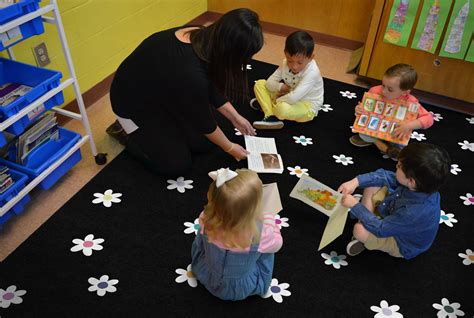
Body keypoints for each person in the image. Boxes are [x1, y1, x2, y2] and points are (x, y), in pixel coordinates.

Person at [107, 9, 263, 176]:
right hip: (132, 105)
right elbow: (204, 121)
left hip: (164, 91)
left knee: (205, 143)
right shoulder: (189, 73)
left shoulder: (202, 35)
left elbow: (209, 84)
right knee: (176, 165)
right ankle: (123, 131)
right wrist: (230, 148)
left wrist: (235, 117)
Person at [337, 143, 450, 260]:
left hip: (401, 241)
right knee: (373, 184)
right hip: (394, 214)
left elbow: (381, 229)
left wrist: (356, 206)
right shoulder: (422, 185)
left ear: (411, 182)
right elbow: (384, 176)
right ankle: (365, 216)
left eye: (399, 166)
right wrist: (355, 182)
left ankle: (363, 228)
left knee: (359, 230)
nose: (396, 166)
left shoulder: (413, 213)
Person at [191, 168, 283, 301]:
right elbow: (277, 245)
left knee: (201, 236)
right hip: (239, 288)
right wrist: (270, 221)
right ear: (253, 209)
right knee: (267, 251)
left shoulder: (206, 218)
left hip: (207, 275)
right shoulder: (262, 232)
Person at [349, 63, 434, 160]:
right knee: (362, 133)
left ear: (405, 92)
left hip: (395, 133)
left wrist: (408, 126)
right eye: (383, 85)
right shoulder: (375, 91)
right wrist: (359, 109)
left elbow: (429, 118)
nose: (383, 91)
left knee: (401, 147)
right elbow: (365, 108)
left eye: (390, 89)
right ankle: (379, 144)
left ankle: (378, 143)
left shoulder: (411, 102)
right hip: (374, 127)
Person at [251, 31, 324, 129]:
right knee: (260, 84)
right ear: (285, 53)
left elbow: (293, 98)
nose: (294, 66)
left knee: (282, 109)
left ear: (311, 57)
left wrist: (277, 100)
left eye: (300, 63)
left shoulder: (312, 73)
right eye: (290, 61)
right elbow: (269, 83)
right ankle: (270, 115)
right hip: (288, 95)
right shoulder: (285, 63)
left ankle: (267, 107)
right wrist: (281, 87)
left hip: (306, 106)